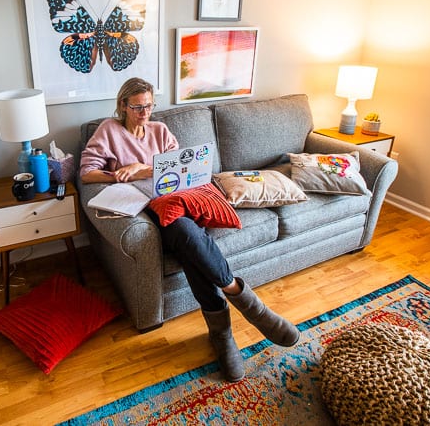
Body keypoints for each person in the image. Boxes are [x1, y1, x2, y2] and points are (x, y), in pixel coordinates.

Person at [80, 77, 300, 382]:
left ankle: (223, 337)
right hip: (149, 209)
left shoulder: (160, 130)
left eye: (149, 106)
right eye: (138, 107)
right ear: (123, 106)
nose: (145, 113)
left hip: (180, 199)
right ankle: (247, 306)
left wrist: (145, 169)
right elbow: (86, 174)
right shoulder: (109, 131)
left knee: (188, 240)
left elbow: (180, 169)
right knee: (186, 235)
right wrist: (119, 175)